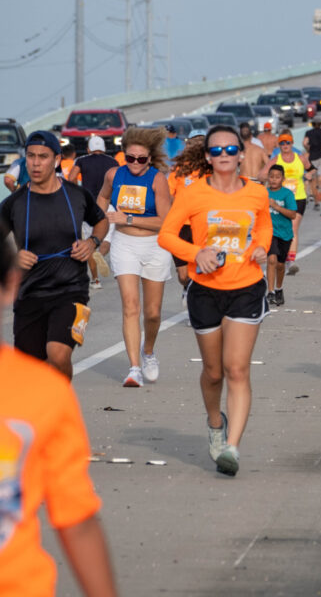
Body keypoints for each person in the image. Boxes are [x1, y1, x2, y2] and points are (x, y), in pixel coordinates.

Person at [0, 219, 119, 597]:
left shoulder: (45, 392)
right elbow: (78, 524)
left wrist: (93, 241)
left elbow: (77, 520)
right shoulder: (43, 392)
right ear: (11, 286)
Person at [158, 125, 272, 476]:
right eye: (216, 150)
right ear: (208, 157)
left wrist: (261, 248)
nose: (224, 155)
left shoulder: (256, 193)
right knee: (213, 372)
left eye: (230, 149)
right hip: (205, 290)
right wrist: (197, 253)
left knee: (236, 368)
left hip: (246, 286)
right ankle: (214, 423)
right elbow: (166, 235)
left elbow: (263, 226)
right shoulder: (192, 194)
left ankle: (232, 448)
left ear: (241, 153)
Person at [0, 131, 108, 378]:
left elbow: (101, 222)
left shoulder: (76, 195)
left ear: (57, 160)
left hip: (70, 290)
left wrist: (92, 242)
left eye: (43, 157)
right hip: (30, 293)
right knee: (31, 371)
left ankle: (60, 407)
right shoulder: (14, 203)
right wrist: (14, 259)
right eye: (31, 156)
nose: (36, 163)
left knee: (58, 354)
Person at [96, 127, 173, 388]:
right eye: (130, 158)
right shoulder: (113, 174)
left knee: (152, 313)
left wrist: (127, 217)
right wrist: (97, 224)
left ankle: (148, 351)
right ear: (123, 156)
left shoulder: (157, 179)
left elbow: (165, 222)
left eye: (141, 159)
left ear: (149, 159)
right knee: (131, 307)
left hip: (154, 246)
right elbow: (104, 197)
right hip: (124, 244)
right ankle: (134, 369)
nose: (136, 164)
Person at [69, 135, 119, 288]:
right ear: (104, 148)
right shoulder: (113, 162)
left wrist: (78, 191)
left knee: (92, 241)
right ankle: (102, 255)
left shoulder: (82, 160)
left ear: (88, 149)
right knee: (107, 240)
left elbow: (71, 178)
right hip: (108, 205)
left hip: (88, 207)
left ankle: (95, 280)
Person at [166, 133, 207, 306]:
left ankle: (195, 303)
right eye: (192, 145)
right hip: (181, 226)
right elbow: (168, 196)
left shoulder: (210, 170)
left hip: (203, 226)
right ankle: (187, 288)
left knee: (200, 269)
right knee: (183, 275)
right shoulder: (179, 170)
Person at [266, 132, 312, 274]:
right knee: (282, 228)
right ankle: (283, 258)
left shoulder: (300, 157)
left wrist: (309, 176)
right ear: (279, 145)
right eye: (282, 143)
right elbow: (262, 173)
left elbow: (311, 169)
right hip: (280, 197)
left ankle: (290, 261)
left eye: (288, 143)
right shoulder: (275, 159)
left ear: (292, 144)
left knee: (293, 227)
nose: (285, 145)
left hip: (298, 198)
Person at [264, 164, 297, 306]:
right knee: (271, 260)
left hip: (285, 233)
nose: (273, 180)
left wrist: (276, 207)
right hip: (269, 232)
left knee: (280, 264)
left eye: (277, 177)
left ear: (282, 179)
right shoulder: (263, 193)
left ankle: (279, 289)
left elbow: (293, 214)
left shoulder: (287, 194)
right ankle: (270, 292)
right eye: (271, 177)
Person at [303, 118, 321, 210]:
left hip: (313, 157)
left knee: (313, 179)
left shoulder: (309, 132)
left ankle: (316, 201)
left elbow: (304, 143)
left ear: (312, 124)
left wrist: (308, 148)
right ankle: (320, 189)